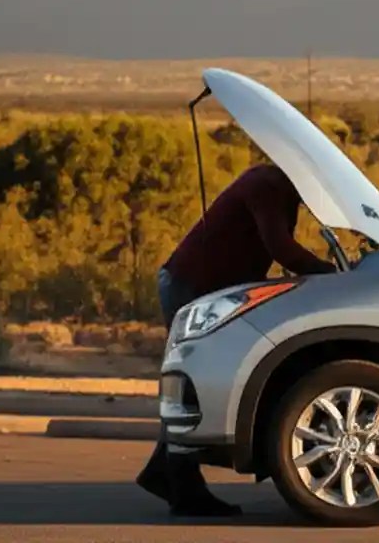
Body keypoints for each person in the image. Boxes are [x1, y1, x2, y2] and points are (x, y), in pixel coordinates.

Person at [136, 163, 335, 517]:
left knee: (190, 381)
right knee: (190, 381)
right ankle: (183, 487)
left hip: (202, 284)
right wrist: (330, 275)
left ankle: (165, 472)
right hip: (192, 283)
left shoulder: (278, 187)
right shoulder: (268, 186)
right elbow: (281, 248)